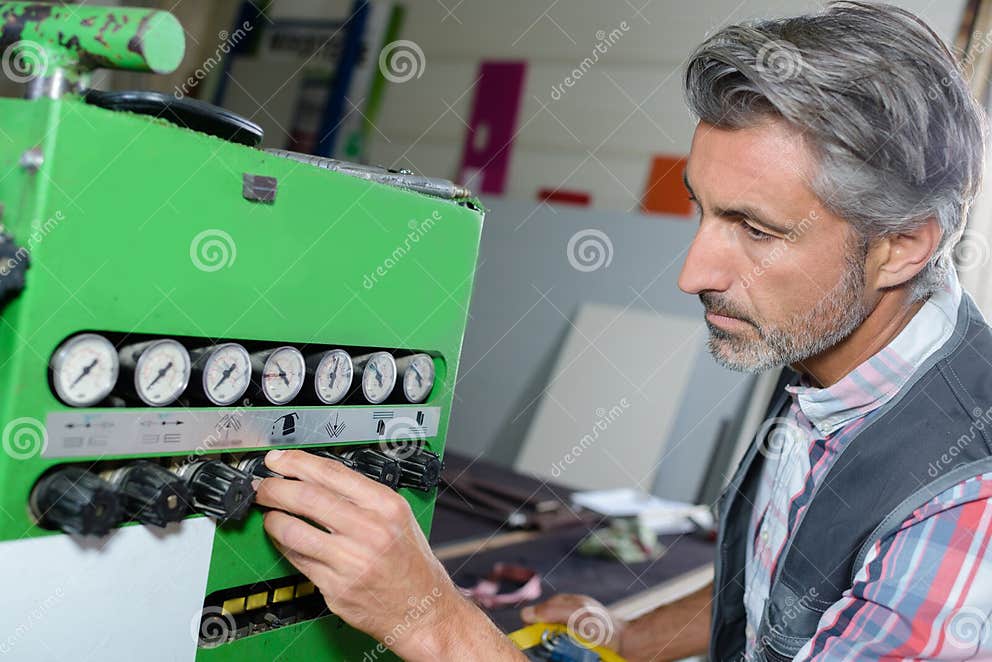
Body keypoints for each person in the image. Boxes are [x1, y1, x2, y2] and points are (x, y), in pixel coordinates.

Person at [254, 2, 992, 659]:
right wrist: (631, 637)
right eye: (703, 208)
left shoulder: (963, 505)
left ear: (903, 245)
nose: (694, 273)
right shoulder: (839, 348)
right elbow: (785, 580)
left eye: (756, 229)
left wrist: (431, 621)